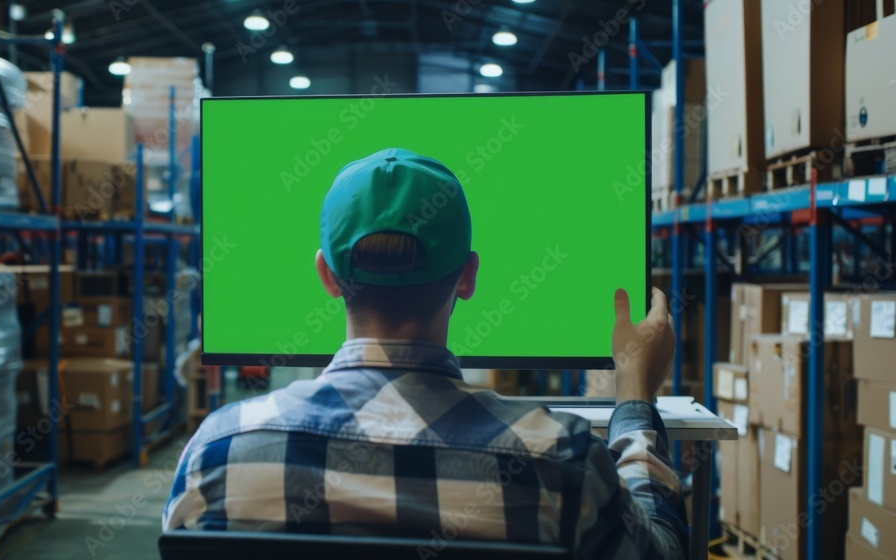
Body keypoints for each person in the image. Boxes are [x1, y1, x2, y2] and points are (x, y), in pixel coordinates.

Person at [162, 148, 686, 559]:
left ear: (325, 275)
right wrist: (636, 392)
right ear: (468, 276)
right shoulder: (559, 462)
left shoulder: (217, 452)